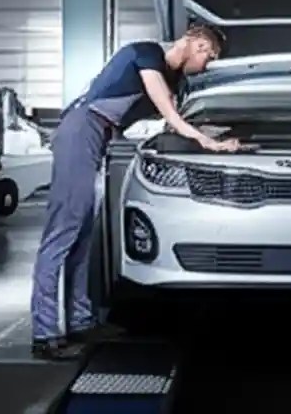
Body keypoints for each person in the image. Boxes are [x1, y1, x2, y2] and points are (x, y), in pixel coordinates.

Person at [30, 24, 241, 360]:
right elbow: (166, 108)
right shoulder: (147, 54)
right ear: (198, 44)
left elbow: (178, 121)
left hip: (101, 137)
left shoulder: (174, 79)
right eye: (209, 58)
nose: (205, 67)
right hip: (82, 127)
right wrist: (207, 142)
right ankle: (44, 334)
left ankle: (81, 321)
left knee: (84, 232)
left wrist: (222, 136)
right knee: (64, 228)